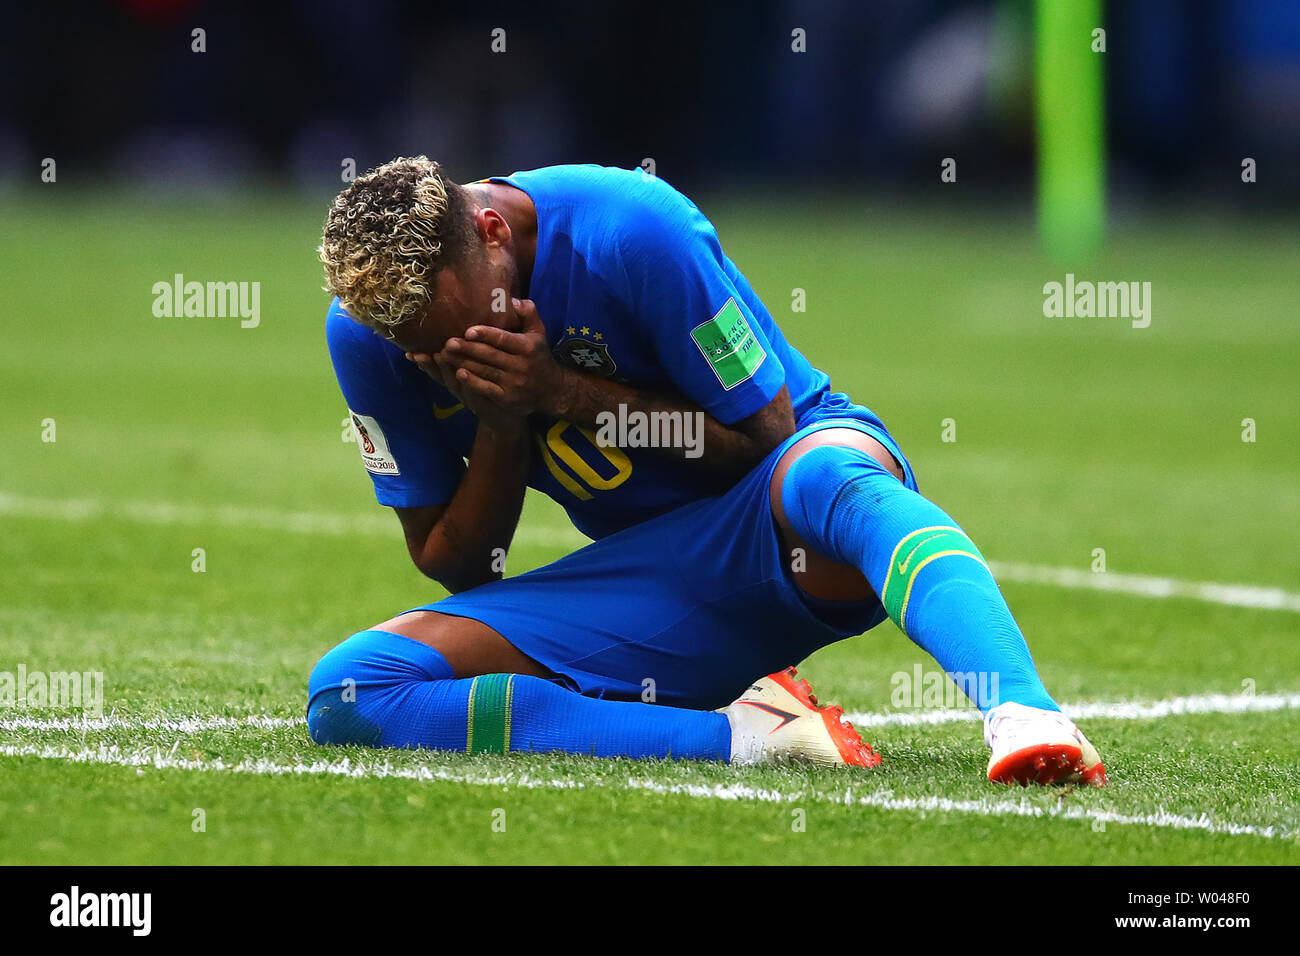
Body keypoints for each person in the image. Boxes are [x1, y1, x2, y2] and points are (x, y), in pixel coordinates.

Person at [309, 157, 1106, 785]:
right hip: (655, 584)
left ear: (491, 231)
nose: (434, 361)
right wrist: (501, 422)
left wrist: (559, 389)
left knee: (833, 473)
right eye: (418, 350)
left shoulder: (631, 229)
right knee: (351, 692)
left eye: (457, 336)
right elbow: (459, 563)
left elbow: (765, 433)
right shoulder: (369, 336)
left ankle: (1024, 713)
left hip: (785, 523)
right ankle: (758, 735)